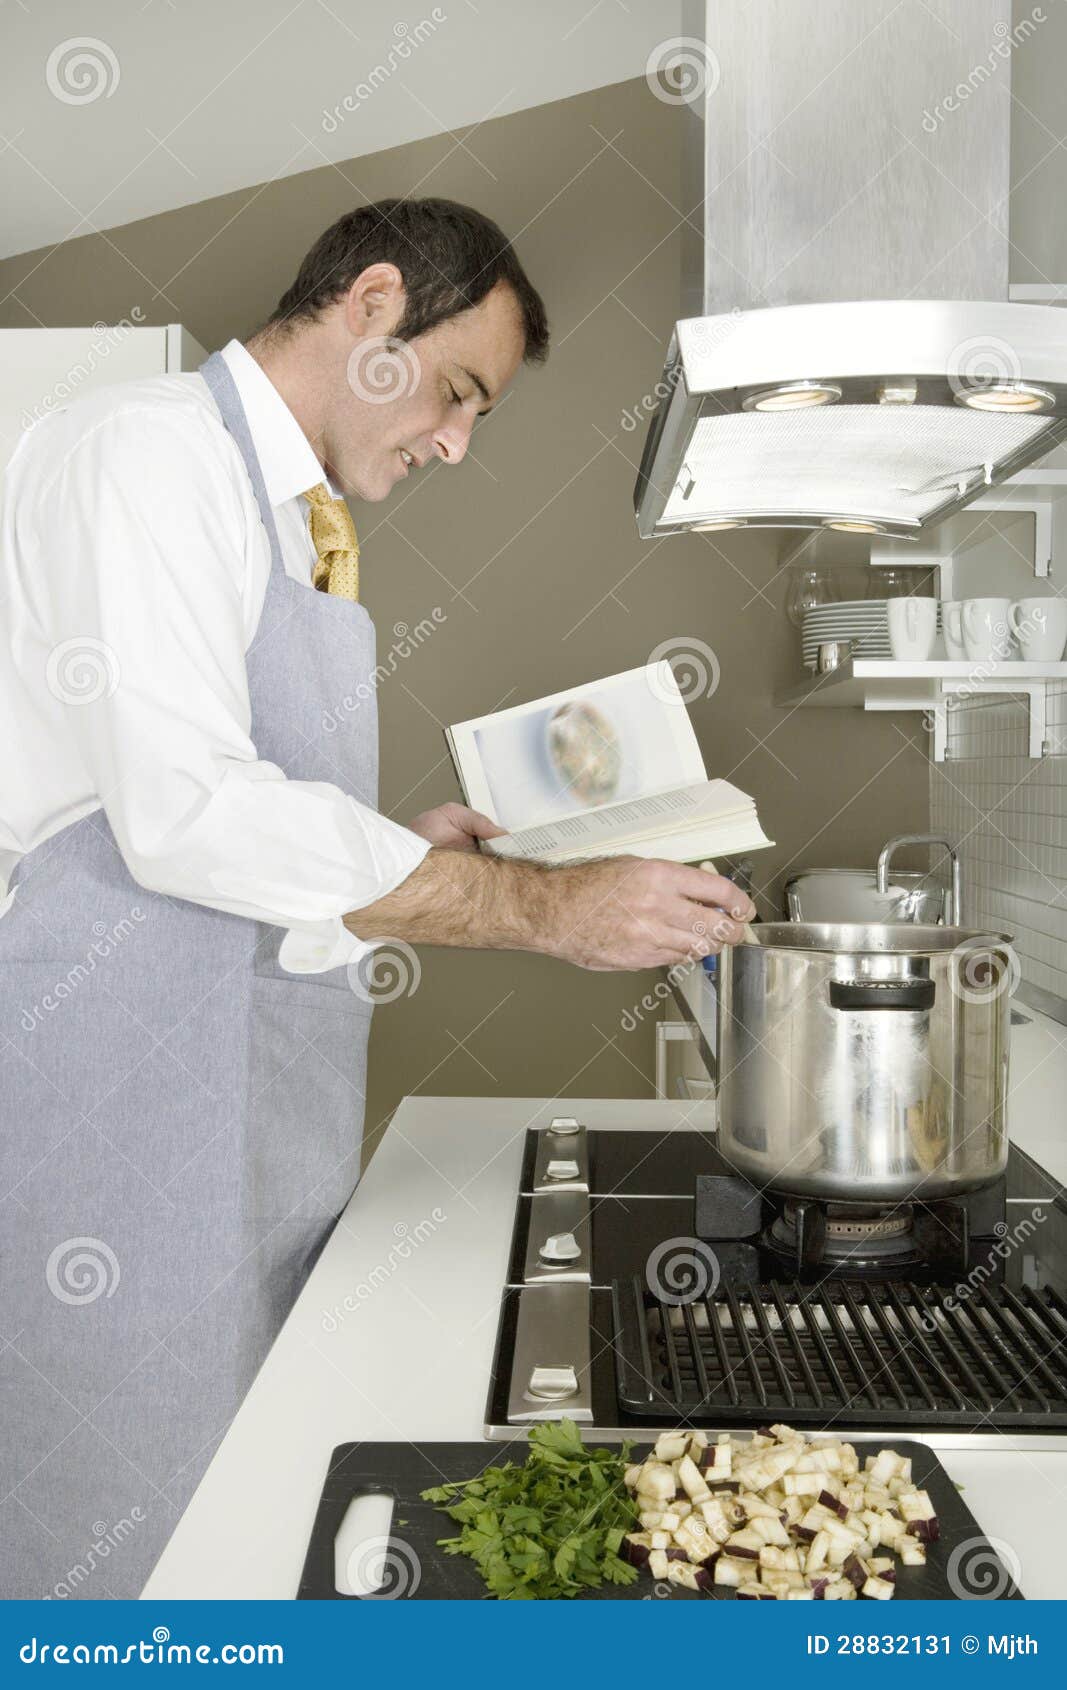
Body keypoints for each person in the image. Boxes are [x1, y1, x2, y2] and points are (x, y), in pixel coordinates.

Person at [0, 196, 754, 1597]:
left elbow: (237, 826)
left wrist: (400, 843)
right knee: (117, 1529)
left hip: (243, 1107)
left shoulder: (299, 519)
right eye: (458, 392)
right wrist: (539, 909)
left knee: (227, 1508)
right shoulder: (146, 453)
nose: (456, 442)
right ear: (373, 306)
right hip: (113, 1118)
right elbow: (183, 816)